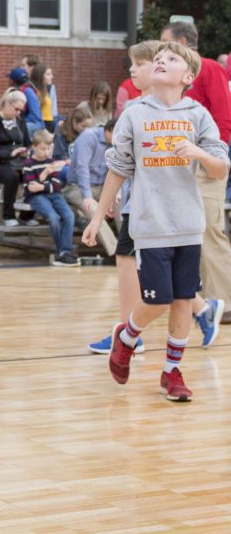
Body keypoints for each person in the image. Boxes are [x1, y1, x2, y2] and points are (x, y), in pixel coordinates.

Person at [83, 41, 229, 401]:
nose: (162, 62)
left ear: (188, 76)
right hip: (150, 225)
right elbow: (118, 169)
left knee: (182, 300)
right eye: (159, 58)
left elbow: (220, 167)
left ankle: (171, 372)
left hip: (188, 224)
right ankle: (127, 336)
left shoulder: (197, 114)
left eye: (171, 59)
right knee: (158, 300)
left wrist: (198, 152)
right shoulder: (134, 113)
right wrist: (98, 217)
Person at [160, 20, 231, 321]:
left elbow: (224, 117)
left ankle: (225, 302)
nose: (161, 48)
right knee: (189, 233)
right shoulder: (172, 78)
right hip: (181, 165)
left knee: (209, 229)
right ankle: (200, 302)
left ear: (182, 42)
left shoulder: (209, 68)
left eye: (165, 41)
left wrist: (213, 157)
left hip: (205, 162)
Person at [23, 129, 79, 266]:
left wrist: (41, 185)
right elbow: (31, 187)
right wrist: (45, 173)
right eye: (43, 149)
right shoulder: (28, 164)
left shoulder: (51, 161)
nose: (46, 152)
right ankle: (64, 252)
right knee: (53, 217)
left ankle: (64, 252)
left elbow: (57, 185)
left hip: (54, 194)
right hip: (36, 197)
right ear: (34, 147)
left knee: (69, 215)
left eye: (49, 148)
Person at [62, 119, 118, 255]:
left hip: (101, 187)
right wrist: (87, 196)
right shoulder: (89, 136)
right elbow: (82, 168)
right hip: (76, 188)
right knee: (94, 208)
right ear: (110, 130)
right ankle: (116, 251)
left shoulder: (117, 143)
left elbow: (118, 169)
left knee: (120, 202)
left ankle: (129, 249)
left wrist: (117, 192)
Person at [0, 89, 30, 226]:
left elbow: (27, 142)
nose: (18, 113)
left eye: (21, 110)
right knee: (12, 177)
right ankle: (8, 215)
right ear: (7, 104)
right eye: (16, 109)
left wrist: (26, 151)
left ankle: (26, 215)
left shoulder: (20, 120)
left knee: (33, 173)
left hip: (19, 160)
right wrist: (10, 153)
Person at [7, 66, 43, 133]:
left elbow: (35, 115)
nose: (9, 81)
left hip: (34, 124)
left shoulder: (28, 91)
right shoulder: (17, 90)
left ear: (13, 81)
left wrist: (20, 123)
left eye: (10, 79)